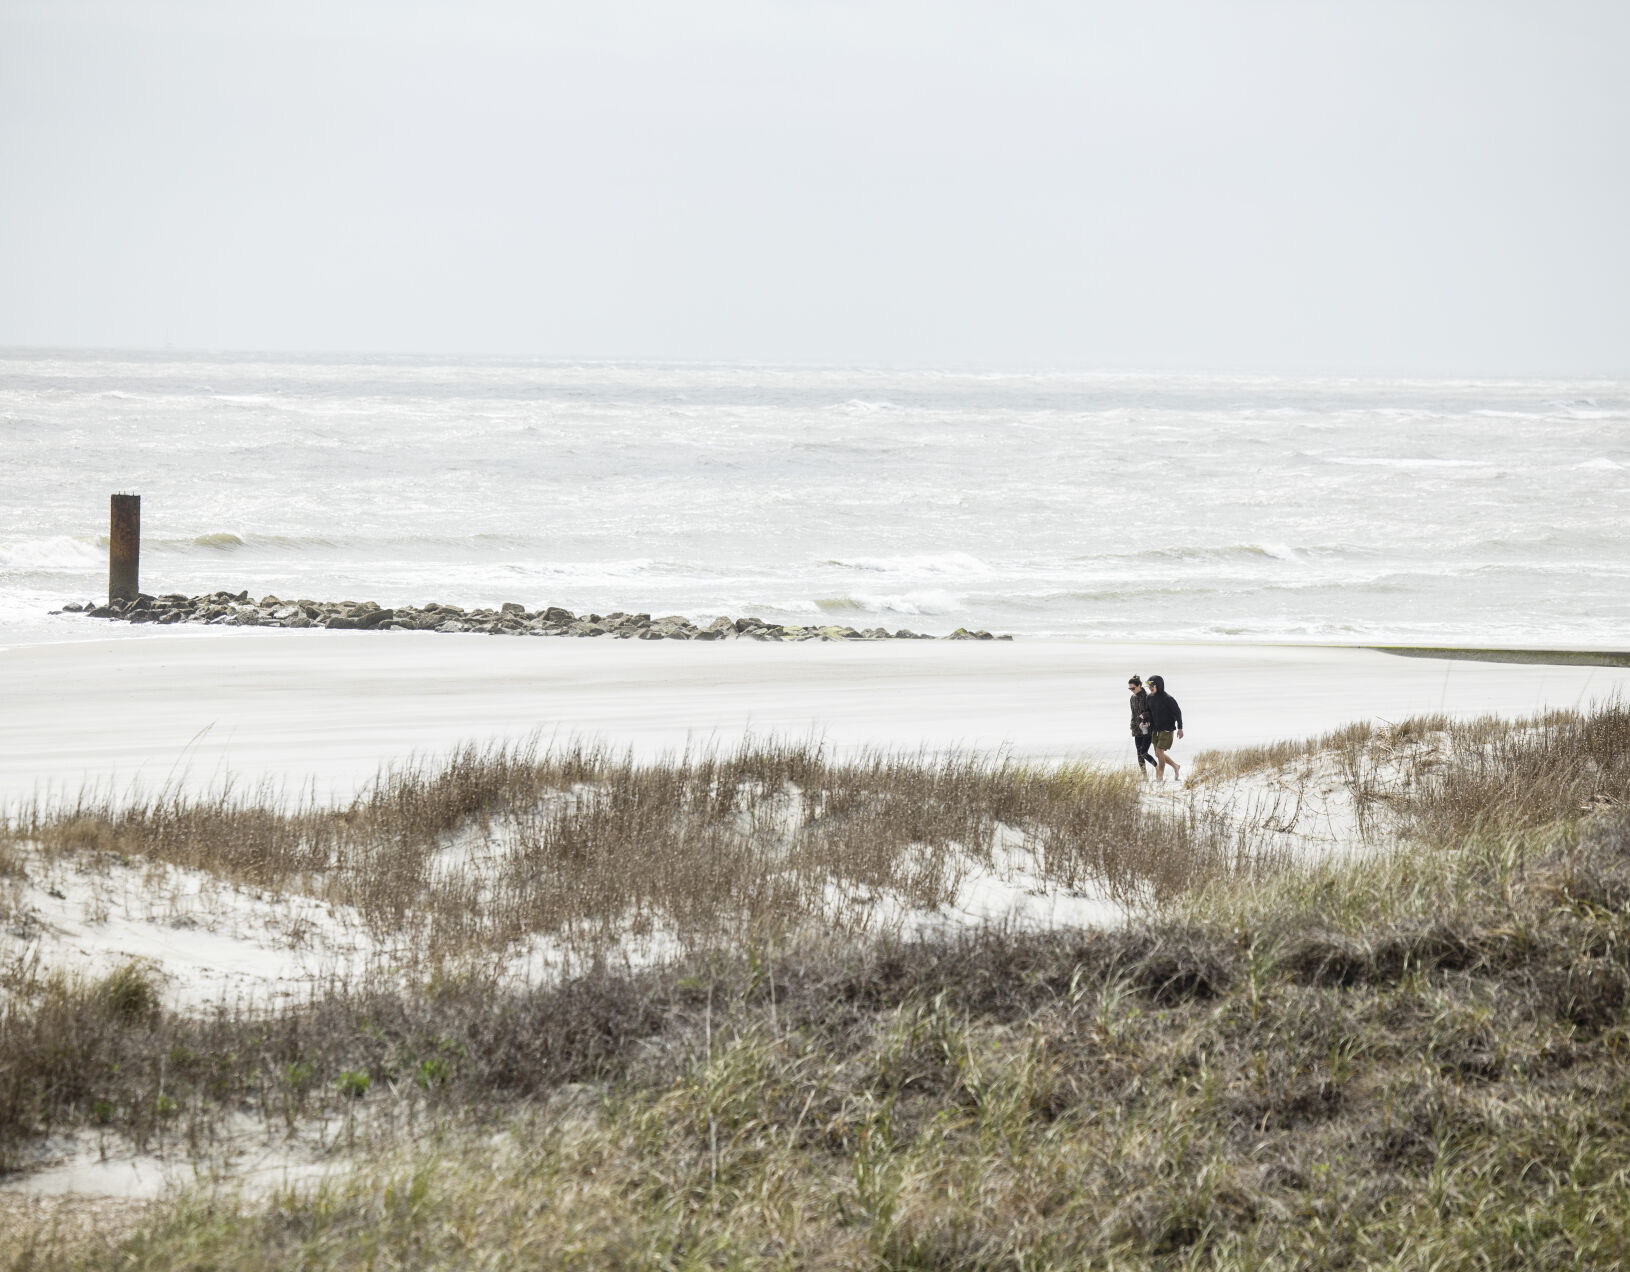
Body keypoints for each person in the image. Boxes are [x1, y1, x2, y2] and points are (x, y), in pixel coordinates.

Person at [1145, 674, 1184, 783]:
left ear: (1159, 685)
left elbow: (1178, 713)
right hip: (1155, 729)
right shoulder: (1149, 698)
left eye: (1152, 686)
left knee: (1159, 752)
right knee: (1158, 754)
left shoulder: (1168, 699)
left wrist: (1180, 728)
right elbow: (1148, 712)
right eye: (1149, 686)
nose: (1150, 688)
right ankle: (1175, 766)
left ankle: (1160, 777)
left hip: (1167, 729)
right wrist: (1144, 721)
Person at [1127, 674, 1157, 779]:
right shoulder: (1132, 698)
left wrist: (1146, 718)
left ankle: (1157, 767)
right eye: (1129, 689)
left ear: (1139, 685)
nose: (1132, 690)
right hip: (1136, 729)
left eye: (1133, 688)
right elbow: (1133, 713)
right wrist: (1132, 725)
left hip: (1147, 728)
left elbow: (1153, 712)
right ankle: (1145, 777)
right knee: (1139, 754)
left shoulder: (1148, 697)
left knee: (1143, 752)